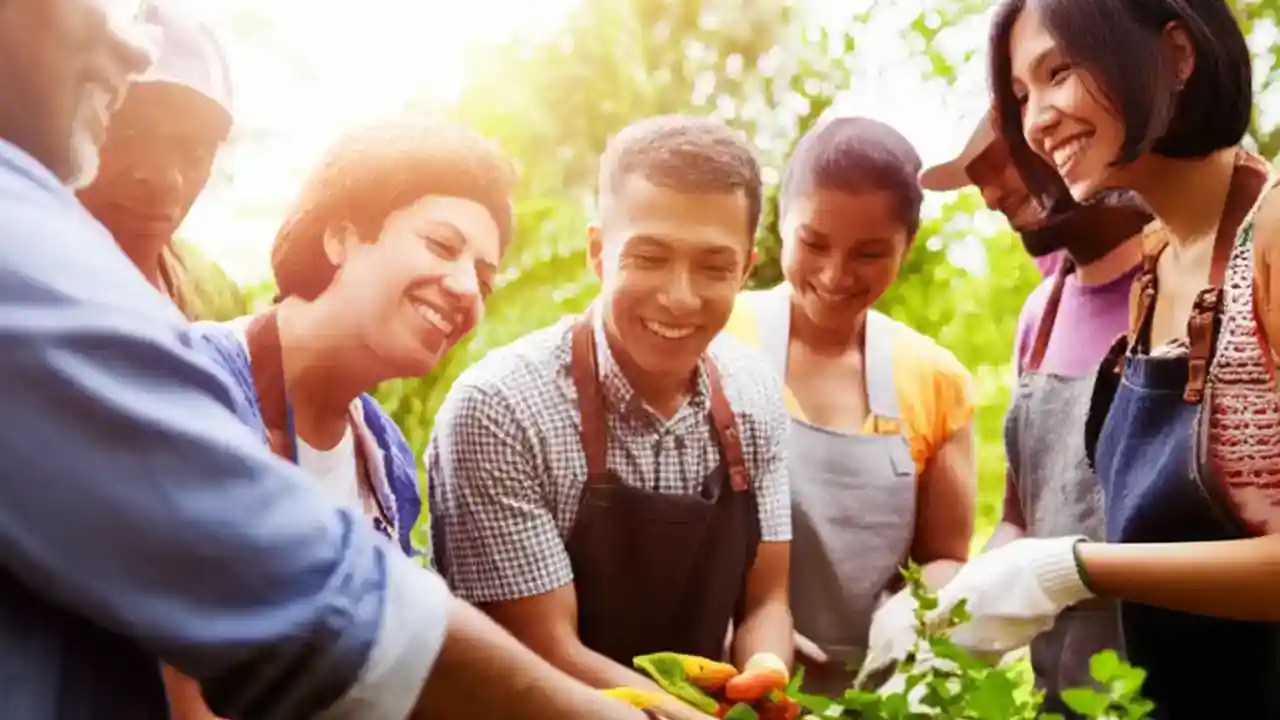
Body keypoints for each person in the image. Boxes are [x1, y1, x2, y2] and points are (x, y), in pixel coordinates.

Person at [0, 1, 659, 717]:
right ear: (341, 237)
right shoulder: (186, 368)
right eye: (441, 246)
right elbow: (283, 607)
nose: (466, 286)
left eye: (487, 275)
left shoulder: (387, 460)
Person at [880, 1, 1280, 717]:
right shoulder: (1158, 264)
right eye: (1023, 96)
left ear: (1178, 56)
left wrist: (1071, 569)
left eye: (1058, 72)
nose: (1036, 121)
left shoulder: (1271, 238)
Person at [428, 115, 795, 719]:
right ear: (599, 252)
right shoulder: (500, 410)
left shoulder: (755, 394)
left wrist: (764, 671)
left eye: (713, 267)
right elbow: (543, 650)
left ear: (747, 267)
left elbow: (767, 599)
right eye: (649, 257)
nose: (679, 296)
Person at [910, 110, 1158, 714]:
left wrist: (1070, 568)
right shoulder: (1039, 316)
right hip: (1064, 698)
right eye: (978, 177)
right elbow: (1022, 519)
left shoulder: (1188, 284)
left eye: (999, 161)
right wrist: (952, 611)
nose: (991, 194)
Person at [720, 116, 976, 695]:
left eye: (869, 254)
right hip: (720, 684)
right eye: (814, 243)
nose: (836, 275)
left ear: (906, 247)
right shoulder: (717, 336)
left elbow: (944, 557)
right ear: (780, 228)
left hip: (872, 692)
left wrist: (906, 629)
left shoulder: (936, 380)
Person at [77, 0, 232, 318]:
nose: (164, 178)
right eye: (129, 136)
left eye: (194, 151)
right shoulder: (22, 286)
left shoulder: (212, 292)